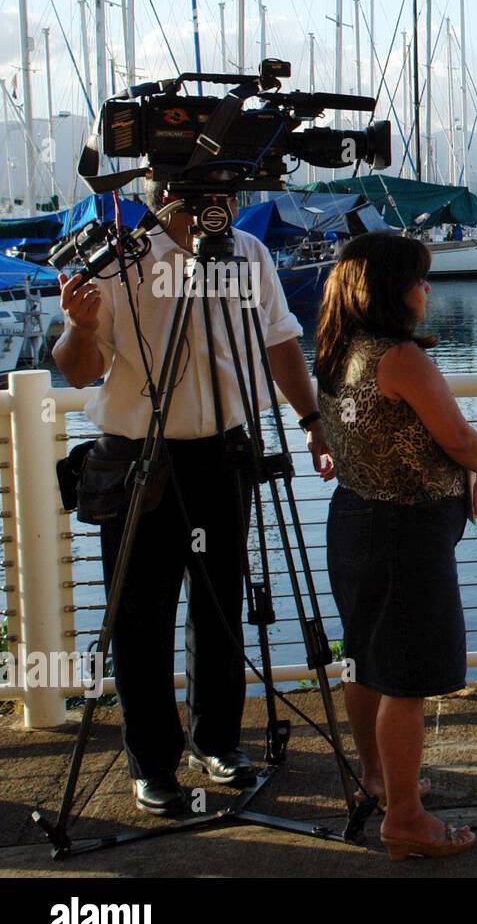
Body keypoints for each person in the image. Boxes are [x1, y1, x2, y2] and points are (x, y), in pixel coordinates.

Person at [52, 182, 329, 814]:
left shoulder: (248, 255)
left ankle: (217, 745)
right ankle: (152, 765)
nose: (215, 201)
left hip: (225, 453)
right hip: (138, 459)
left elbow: (281, 340)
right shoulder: (120, 261)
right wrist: (80, 325)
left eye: (225, 189)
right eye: (198, 189)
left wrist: (313, 421)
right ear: (161, 192)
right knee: (139, 619)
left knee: (220, 604)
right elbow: (75, 368)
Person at [315, 231, 477, 861]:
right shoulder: (400, 358)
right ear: (392, 288)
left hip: (355, 519)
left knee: (366, 658)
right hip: (406, 530)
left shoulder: (338, 348)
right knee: (408, 678)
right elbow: (458, 436)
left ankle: (381, 782)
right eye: (419, 278)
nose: (427, 288)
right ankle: (408, 819)